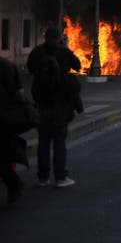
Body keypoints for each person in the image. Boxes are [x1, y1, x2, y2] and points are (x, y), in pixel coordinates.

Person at [27, 27, 82, 188]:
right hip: (60, 104)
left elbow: (30, 69)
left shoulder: (37, 51)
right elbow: (78, 66)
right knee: (59, 141)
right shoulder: (64, 51)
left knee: (43, 141)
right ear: (59, 38)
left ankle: (43, 177)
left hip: (42, 102)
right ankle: (60, 177)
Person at [0, 57, 26, 204]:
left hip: (4, 117)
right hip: (6, 116)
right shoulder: (7, 65)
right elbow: (19, 93)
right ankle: (14, 184)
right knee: (5, 153)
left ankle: (14, 183)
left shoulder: (6, 66)